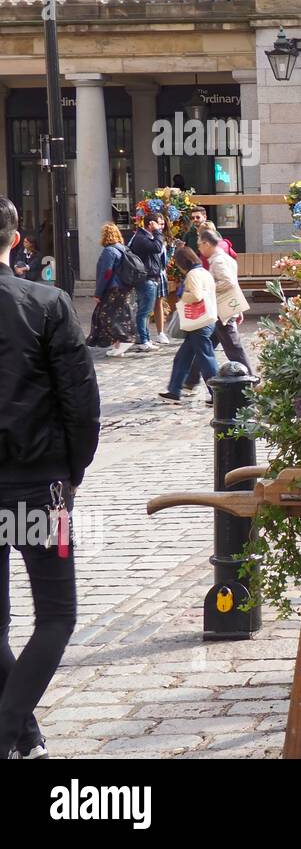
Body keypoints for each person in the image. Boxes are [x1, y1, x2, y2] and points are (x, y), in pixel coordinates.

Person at [0, 195, 100, 760]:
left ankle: (23, 734)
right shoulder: (46, 303)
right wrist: (74, 469)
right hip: (39, 482)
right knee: (57, 616)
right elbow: (80, 402)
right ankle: (13, 730)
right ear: (15, 240)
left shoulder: (48, 303)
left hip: (37, 477)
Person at [160, 245, 219, 404]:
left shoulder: (193, 274)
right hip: (205, 320)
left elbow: (196, 295)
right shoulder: (203, 272)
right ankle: (174, 390)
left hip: (199, 323)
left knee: (206, 359)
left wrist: (182, 296)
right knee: (182, 357)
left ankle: (218, 393)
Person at [198, 228, 253, 374]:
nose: (199, 249)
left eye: (200, 245)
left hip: (223, 310)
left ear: (206, 244)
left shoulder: (218, 261)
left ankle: (251, 380)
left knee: (234, 349)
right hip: (223, 309)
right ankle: (190, 379)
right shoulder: (225, 258)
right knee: (205, 345)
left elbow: (229, 282)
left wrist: (208, 288)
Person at [86, 223, 138, 358]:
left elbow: (107, 273)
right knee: (120, 315)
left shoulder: (109, 251)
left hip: (114, 288)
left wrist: (98, 292)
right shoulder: (123, 248)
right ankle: (118, 344)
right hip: (126, 287)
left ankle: (125, 339)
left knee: (106, 316)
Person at [127, 213, 167, 353]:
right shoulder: (141, 238)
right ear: (150, 224)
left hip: (151, 278)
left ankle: (146, 339)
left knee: (146, 311)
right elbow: (156, 247)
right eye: (158, 224)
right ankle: (143, 340)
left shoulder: (146, 237)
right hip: (146, 279)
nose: (161, 228)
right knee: (144, 311)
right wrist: (157, 232)